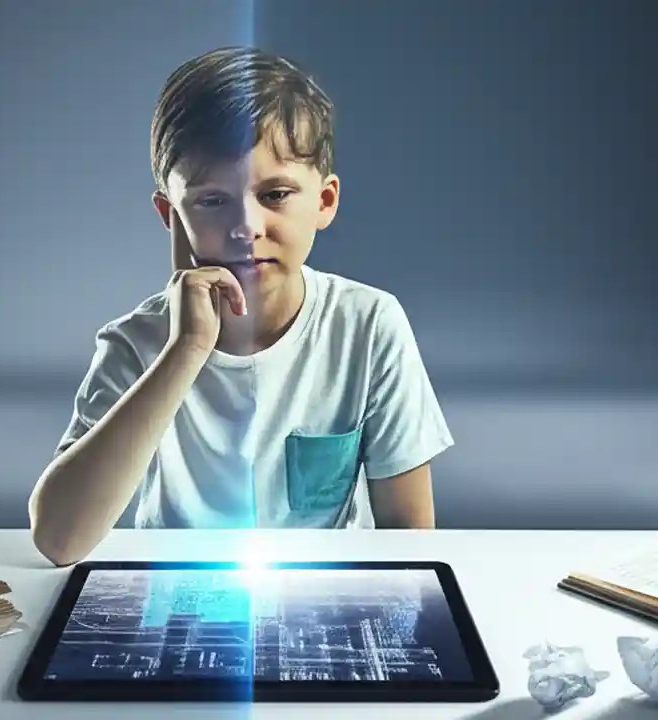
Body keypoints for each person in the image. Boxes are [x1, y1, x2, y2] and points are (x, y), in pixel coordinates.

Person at [29, 46, 453, 566]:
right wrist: (186, 347)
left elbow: (411, 537)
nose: (246, 227)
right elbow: (58, 540)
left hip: (322, 595)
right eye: (211, 201)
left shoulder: (368, 324)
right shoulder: (137, 342)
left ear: (324, 201)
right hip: (177, 594)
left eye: (275, 195)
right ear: (171, 214)